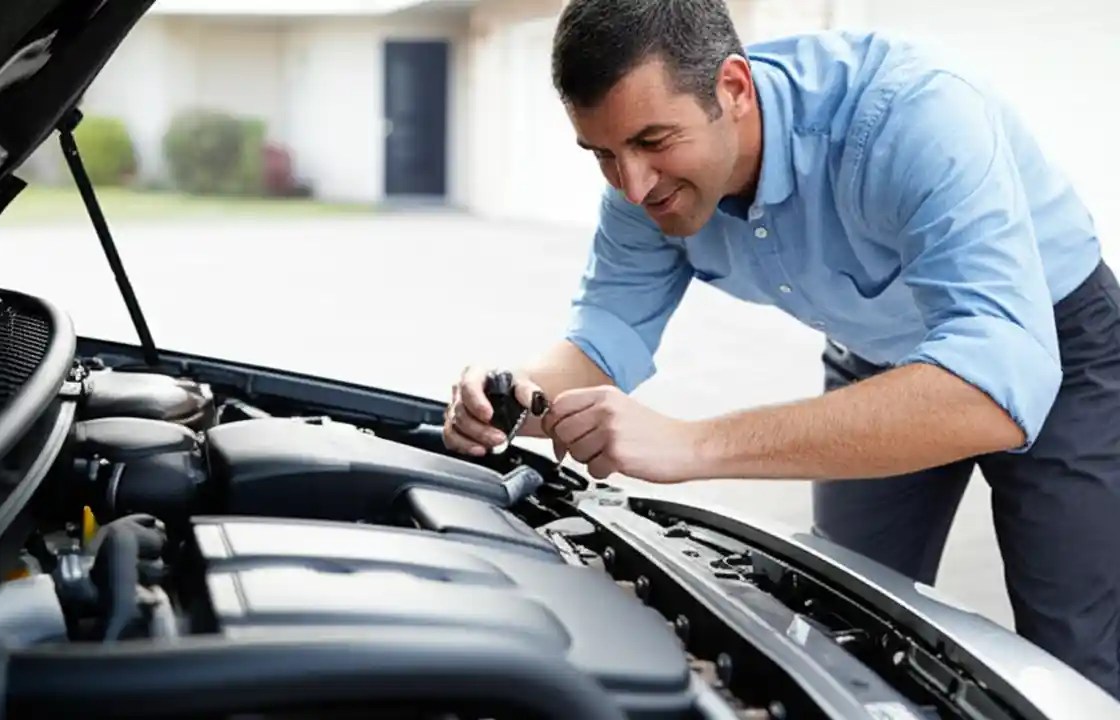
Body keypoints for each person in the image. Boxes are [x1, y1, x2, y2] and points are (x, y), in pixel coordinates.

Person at [441, 0, 1120, 699]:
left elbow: (994, 387)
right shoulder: (642, 185)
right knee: (841, 627)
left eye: (653, 141)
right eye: (604, 154)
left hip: (1055, 350)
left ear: (733, 89)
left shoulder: (914, 116)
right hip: (877, 357)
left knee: (1070, 662)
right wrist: (510, 392)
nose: (633, 184)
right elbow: (602, 339)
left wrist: (693, 446)